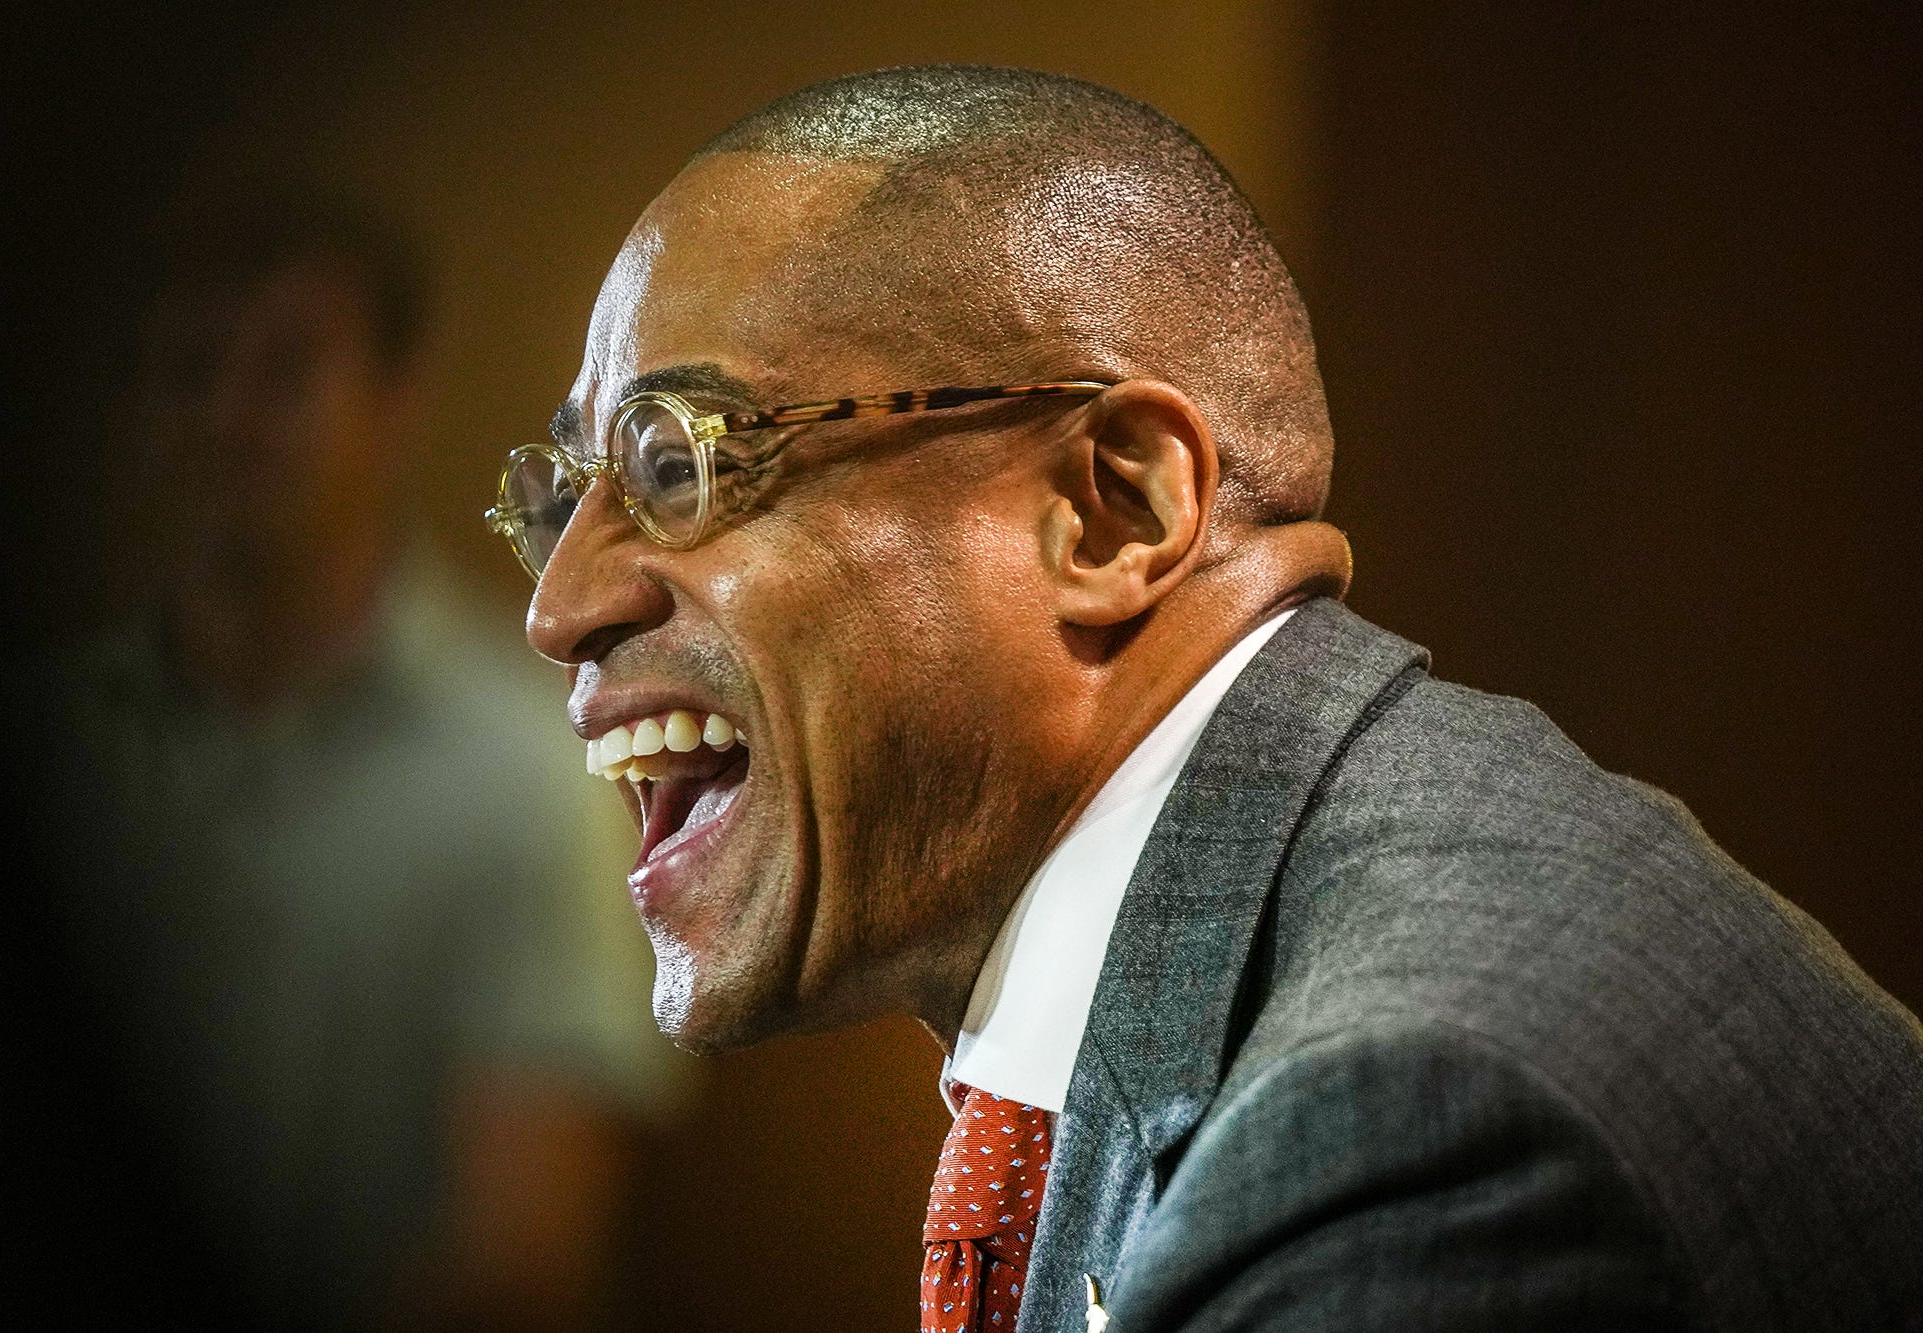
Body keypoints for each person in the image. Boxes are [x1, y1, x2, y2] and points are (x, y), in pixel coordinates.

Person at [486, 66, 1923, 1331]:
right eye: (562, 497)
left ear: (1113, 509)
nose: (560, 607)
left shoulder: (1409, 1130)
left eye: (677, 461)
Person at [42, 176, 681, 1328]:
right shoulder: (44, 749)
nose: (230, 416)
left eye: (285, 371)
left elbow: (521, 1267)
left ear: (394, 400)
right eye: (190, 370)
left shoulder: (527, 770)